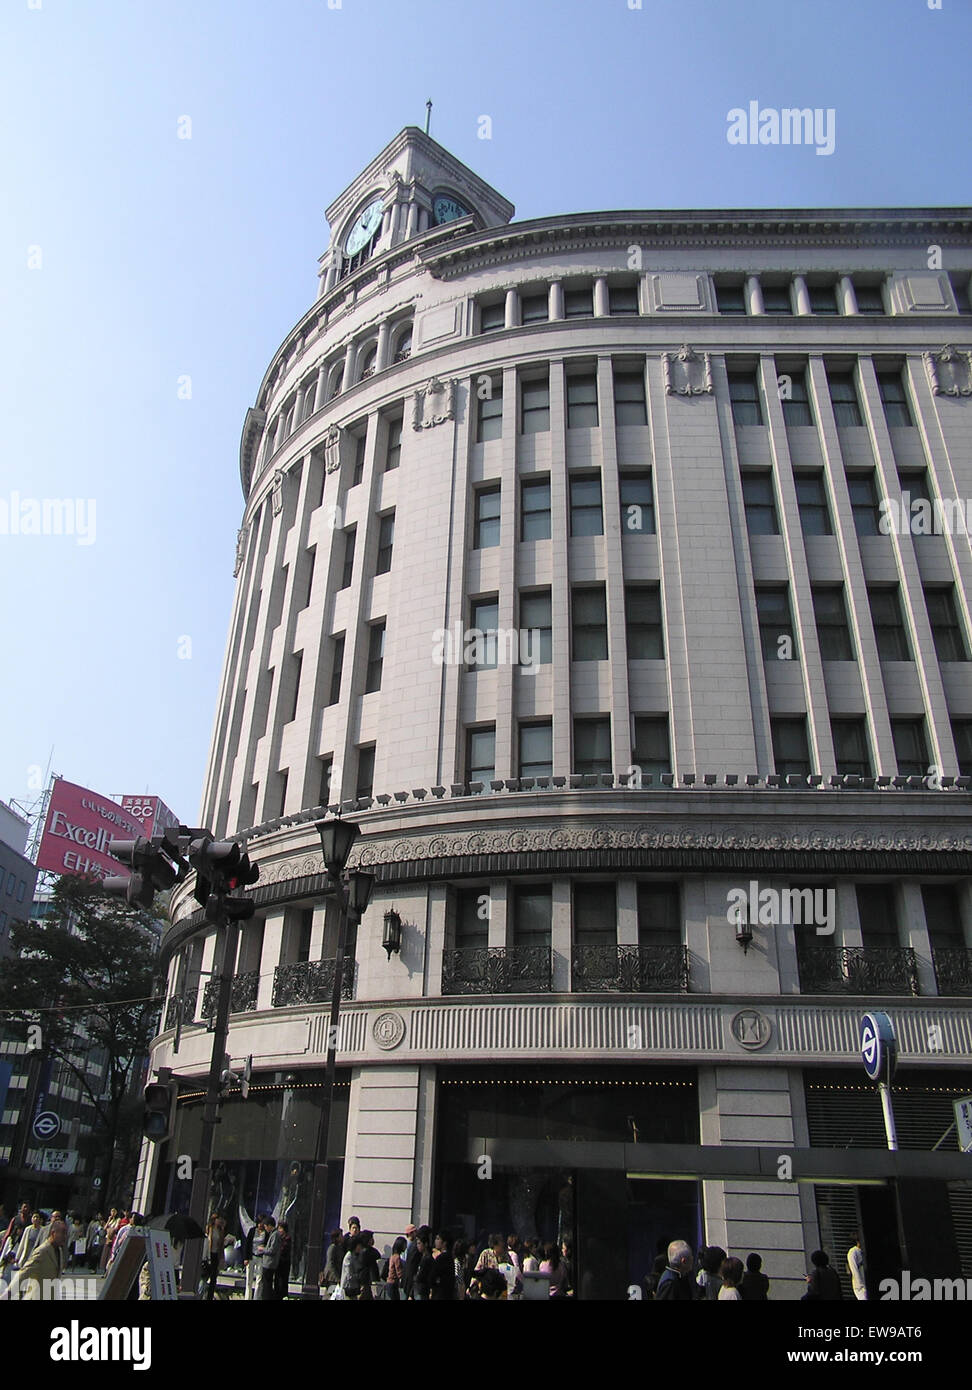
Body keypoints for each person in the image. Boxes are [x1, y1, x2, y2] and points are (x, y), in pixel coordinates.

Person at [14, 1218, 68, 1300]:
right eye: (63, 1233)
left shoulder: (59, 1251)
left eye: (66, 1233)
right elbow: (23, 1273)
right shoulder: (42, 1251)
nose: (65, 1237)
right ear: (53, 1233)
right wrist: (8, 1293)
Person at [244, 1217, 267, 1300]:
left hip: (260, 1257)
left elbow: (267, 1244)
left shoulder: (266, 1233)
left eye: (262, 1223)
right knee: (249, 1279)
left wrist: (264, 1247)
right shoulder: (252, 1231)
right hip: (251, 1256)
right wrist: (246, 1258)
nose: (260, 1225)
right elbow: (247, 1244)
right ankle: (248, 1297)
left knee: (259, 1279)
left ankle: (256, 1297)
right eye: (259, 1223)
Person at [260, 1220, 282, 1300]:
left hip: (269, 1264)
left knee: (267, 1285)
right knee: (266, 1284)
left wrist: (263, 1249)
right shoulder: (273, 1234)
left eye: (266, 1227)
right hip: (268, 1263)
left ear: (269, 1225)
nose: (265, 1229)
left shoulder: (275, 1234)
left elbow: (272, 1250)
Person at [321, 1229, 344, 1294]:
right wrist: (336, 1278)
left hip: (336, 1276)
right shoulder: (332, 1248)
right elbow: (330, 1264)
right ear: (336, 1237)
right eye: (341, 1235)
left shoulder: (340, 1247)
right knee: (331, 1294)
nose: (342, 1237)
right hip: (331, 1278)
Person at [273, 1221, 291, 1299]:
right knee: (277, 1280)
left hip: (284, 1262)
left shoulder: (287, 1238)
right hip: (278, 1262)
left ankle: (283, 1296)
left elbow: (283, 1249)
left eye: (280, 1228)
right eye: (278, 1228)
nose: (279, 1230)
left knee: (283, 1281)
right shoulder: (277, 1237)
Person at [386, 1236, 407, 1300]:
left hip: (390, 1283)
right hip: (393, 1283)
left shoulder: (393, 1256)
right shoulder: (397, 1257)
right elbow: (399, 1272)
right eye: (404, 1245)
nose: (405, 1247)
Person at [847, 1233, 867, 1300]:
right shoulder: (853, 1252)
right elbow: (854, 1269)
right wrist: (860, 1285)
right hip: (860, 1286)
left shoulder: (862, 1251)